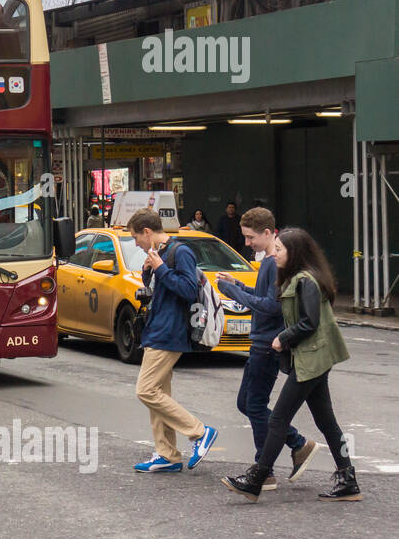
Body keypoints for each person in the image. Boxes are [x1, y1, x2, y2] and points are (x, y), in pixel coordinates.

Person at [221, 227, 359, 502]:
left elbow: (309, 322)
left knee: (278, 418)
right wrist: (240, 288)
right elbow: (278, 304)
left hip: (311, 358)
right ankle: (348, 479)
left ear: (293, 253)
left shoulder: (306, 280)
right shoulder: (297, 278)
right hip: (314, 357)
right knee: (325, 420)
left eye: (280, 249)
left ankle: (257, 478)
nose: (275, 253)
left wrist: (282, 338)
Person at [215, 208, 316, 490]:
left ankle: (266, 468)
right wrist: (238, 283)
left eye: (250, 238)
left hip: (267, 344)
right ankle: (297, 444)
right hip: (261, 341)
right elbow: (265, 296)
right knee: (246, 403)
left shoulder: (274, 262)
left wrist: (232, 292)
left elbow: (272, 306)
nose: (247, 243)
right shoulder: (271, 261)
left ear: (269, 233)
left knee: (254, 404)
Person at [128, 208, 219, 473]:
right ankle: (167, 454)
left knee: (146, 390)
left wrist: (161, 269)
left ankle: (200, 432)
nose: (136, 244)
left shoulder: (180, 252)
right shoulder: (159, 256)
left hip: (170, 332)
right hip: (157, 329)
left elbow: (189, 290)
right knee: (159, 393)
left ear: (148, 232)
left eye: (136, 238)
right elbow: (159, 292)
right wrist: (149, 273)